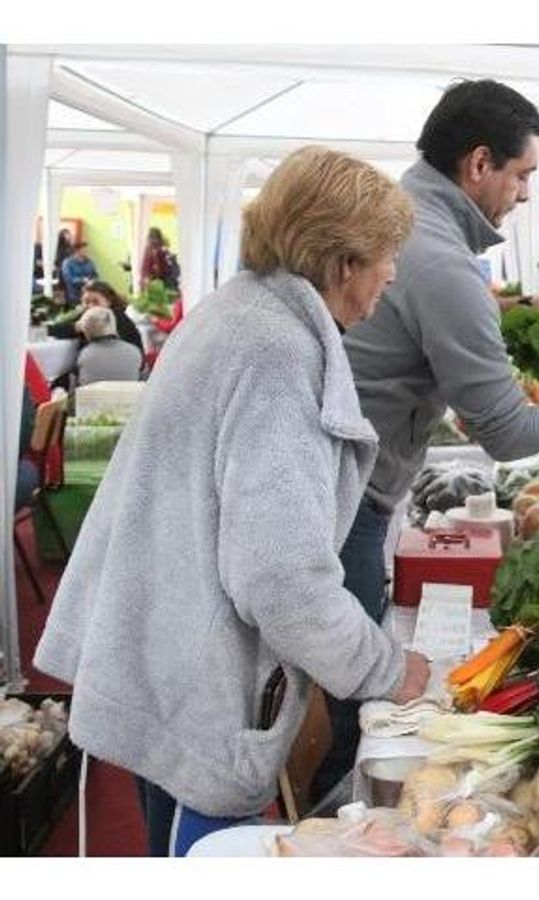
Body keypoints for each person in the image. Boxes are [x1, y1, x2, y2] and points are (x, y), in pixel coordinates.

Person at [34, 146, 429, 857]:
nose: (393, 274)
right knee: (198, 849)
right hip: (197, 680)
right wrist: (388, 669)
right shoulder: (281, 353)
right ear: (344, 262)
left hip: (164, 648)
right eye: (387, 256)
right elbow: (280, 578)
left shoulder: (238, 311)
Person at [323, 79, 539, 798]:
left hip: (343, 483)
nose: (524, 194)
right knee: (349, 691)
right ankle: (334, 811)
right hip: (348, 501)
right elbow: (506, 432)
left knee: (336, 671)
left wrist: (517, 307)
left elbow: (422, 309)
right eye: (521, 175)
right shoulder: (440, 258)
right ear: (479, 163)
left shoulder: (409, 216)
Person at [47, 280, 145, 358]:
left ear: (109, 301)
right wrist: (76, 327)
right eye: (86, 302)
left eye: (96, 302)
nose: (91, 306)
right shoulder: (85, 314)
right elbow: (53, 329)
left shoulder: (117, 317)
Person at [75, 307, 144, 386]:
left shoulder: (85, 354)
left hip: (93, 394)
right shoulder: (134, 351)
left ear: (85, 329)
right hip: (129, 393)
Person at [60, 241, 98, 306]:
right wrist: (83, 280)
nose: (86, 251)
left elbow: (95, 274)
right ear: (77, 251)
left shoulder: (89, 261)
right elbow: (69, 279)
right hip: (74, 294)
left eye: (86, 249)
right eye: (84, 249)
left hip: (89, 292)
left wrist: (93, 281)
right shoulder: (67, 262)